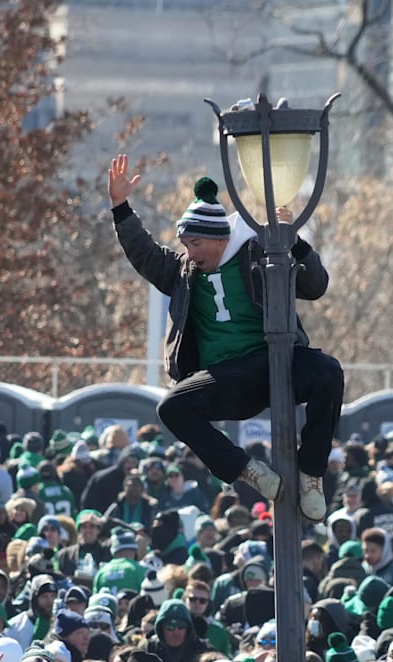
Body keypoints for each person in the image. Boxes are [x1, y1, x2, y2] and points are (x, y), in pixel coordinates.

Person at [109, 154, 344, 523]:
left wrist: (294, 242)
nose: (190, 253)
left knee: (328, 371)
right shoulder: (183, 273)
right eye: (186, 244)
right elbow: (144, 252)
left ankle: (311, 474)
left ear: (220, 239)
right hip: (227, 378)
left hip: (276, 361)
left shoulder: (260, 254)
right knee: (170, 407)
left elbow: (316, 286)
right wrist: (121, 207)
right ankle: (247, 470)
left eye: (196, 243)